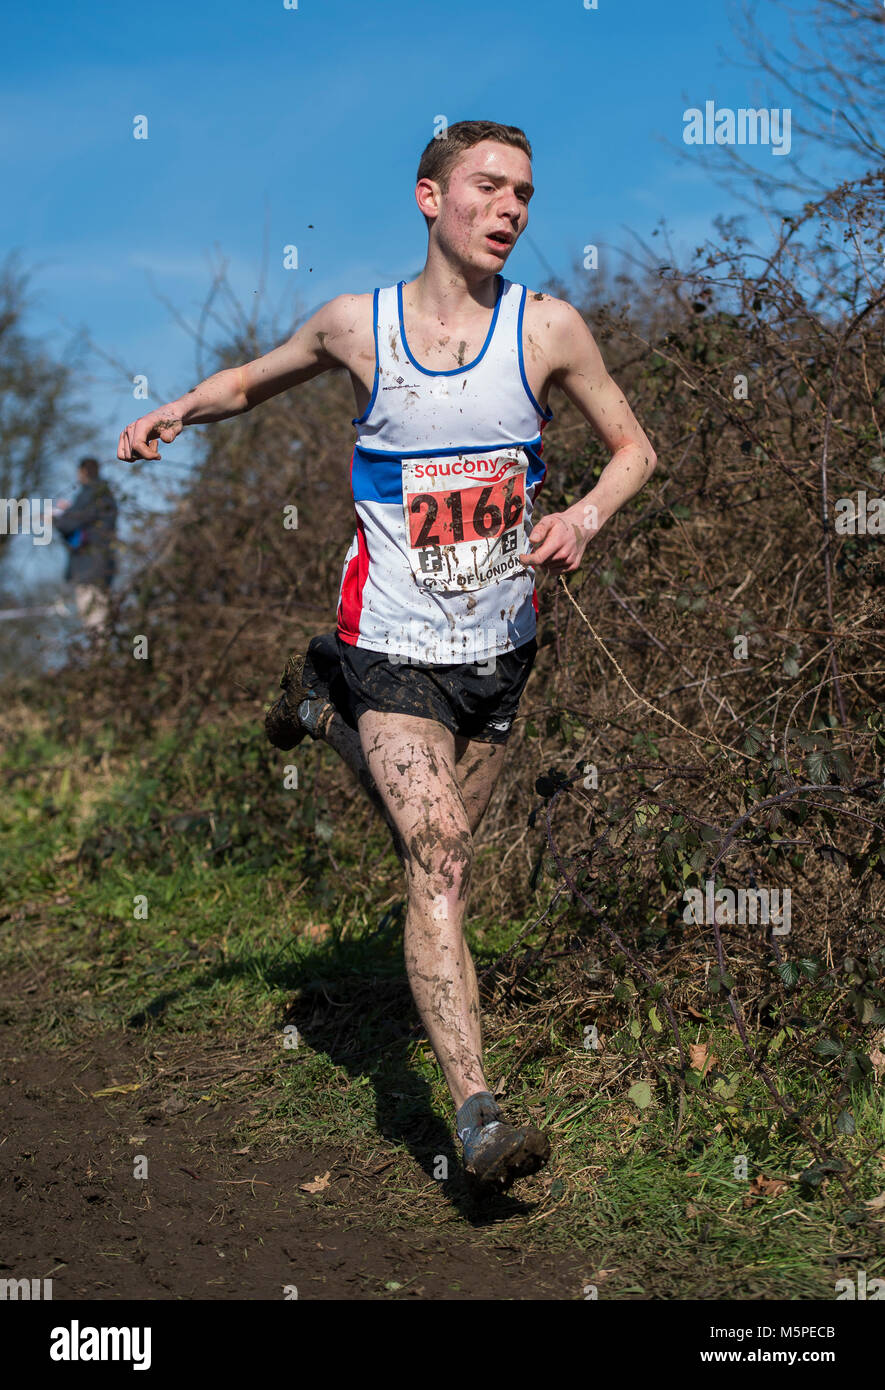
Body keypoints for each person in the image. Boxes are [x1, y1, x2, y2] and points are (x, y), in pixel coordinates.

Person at [117, 120, 657, 1193]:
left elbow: (636, 447)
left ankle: (319, 706)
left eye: (526, 195)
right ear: (428, 197)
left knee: (441, 865)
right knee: (441, 850)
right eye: (487, 188)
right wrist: (175, 408)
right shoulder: (357, 328)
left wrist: (588, 517)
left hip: (501, 654)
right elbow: (250, 381)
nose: (509, 210)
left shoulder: (549, 331)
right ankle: (477, 1117)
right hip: (391, 646)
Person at [54, 456, 118, 634]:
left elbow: (69, 523)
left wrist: (60, 516)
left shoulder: (89, 494)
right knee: (100, 618)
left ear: (82, 472)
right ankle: (101, 656)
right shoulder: (106, 495)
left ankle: (99, 660)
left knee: (95, 623)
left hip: (88, 568)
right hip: (104, 566)